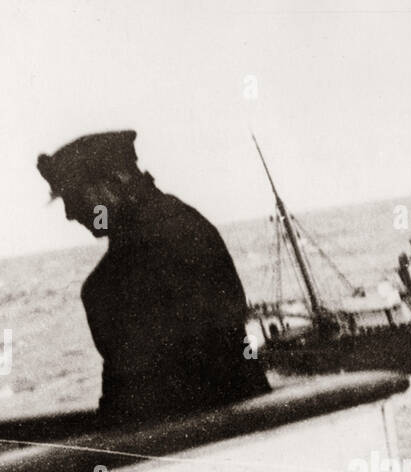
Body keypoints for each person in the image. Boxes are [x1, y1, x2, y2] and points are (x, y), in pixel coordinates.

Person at [36, 130, 269, 423]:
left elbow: (136, 397)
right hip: (238, 420)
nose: (71, 213)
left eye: (74, 196)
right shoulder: (188, 222)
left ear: (115, 181)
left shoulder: (109, 282)